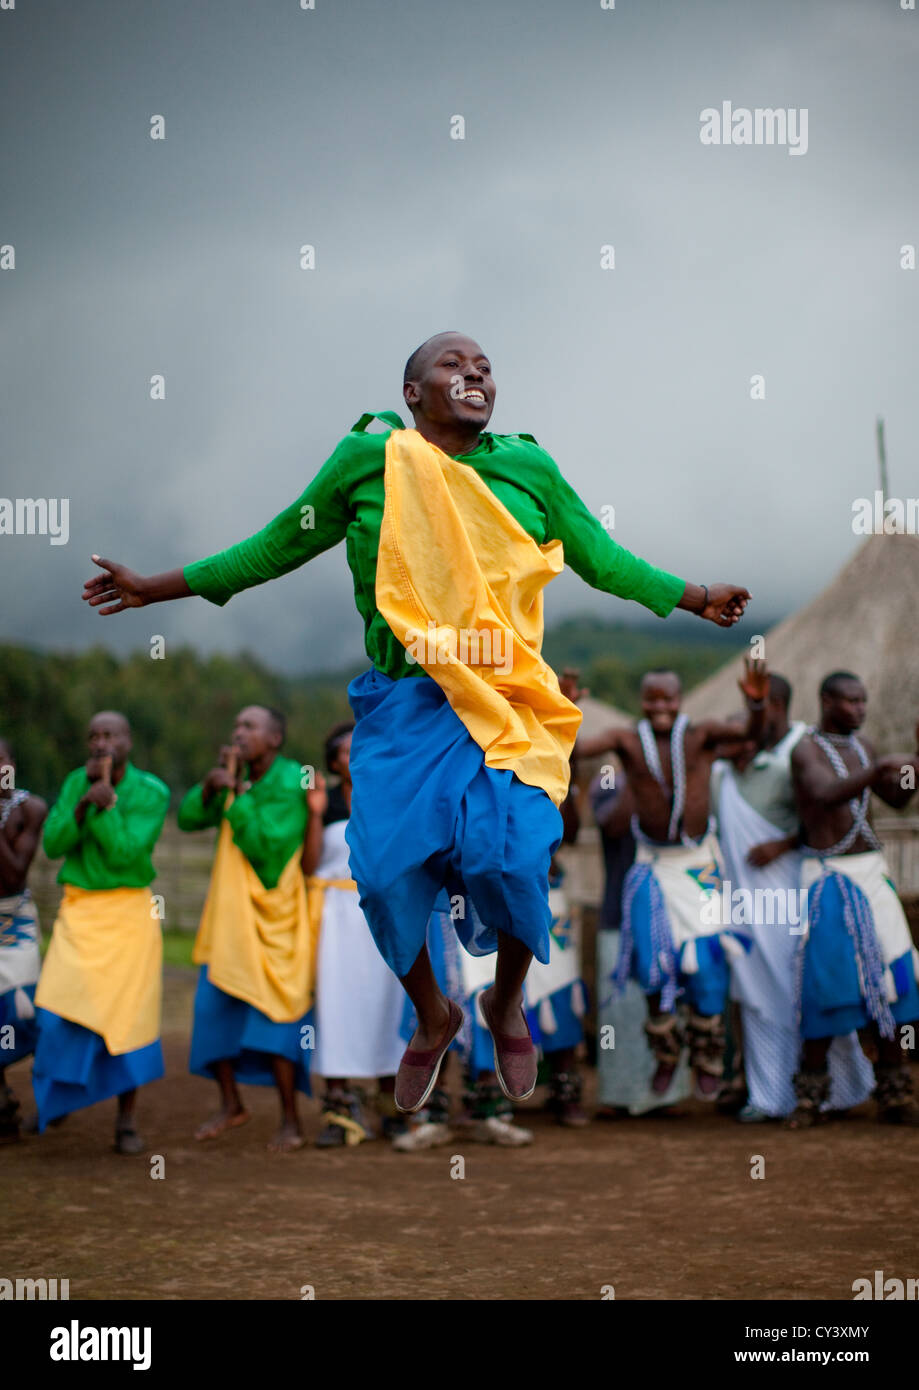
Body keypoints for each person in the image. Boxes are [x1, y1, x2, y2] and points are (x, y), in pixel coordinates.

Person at [81, 330, 753, 1114]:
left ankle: (505, 1003)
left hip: (504, 701)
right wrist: (151, 589)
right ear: (412, 393)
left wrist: (696, 595)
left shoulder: (529, 469)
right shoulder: (368, 462)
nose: (474, 373)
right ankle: (435, 1015)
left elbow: (601, 558)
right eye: (452, 365)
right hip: (405, 707)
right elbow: (270, 549)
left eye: (485, 367)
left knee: (511, 860)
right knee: (382, 875)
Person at [577, 663, 768, 1099]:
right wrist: (566, 710)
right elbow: (579, 749)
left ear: (680, 700)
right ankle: (666, 1050)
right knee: (649, 963)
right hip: (652, 865)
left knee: (708, 963)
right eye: (652, 699)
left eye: (668, 699)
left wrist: (755, 703)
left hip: (698, 863)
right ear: (642, 702)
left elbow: (749, 734)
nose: (660, 707)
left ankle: (707, 1054)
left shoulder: (700, 736)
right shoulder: (626, 740)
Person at [711, 675, 874, 1122]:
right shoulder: (722, 775)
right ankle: (766, 1095)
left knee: (800, 988)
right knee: (754, 994)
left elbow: (821, 821)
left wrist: (780, 846)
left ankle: (834, 1090)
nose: (741, 741)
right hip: (744, 905)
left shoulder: (799, 753)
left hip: (788, 894)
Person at [179, 705, 315, 1152]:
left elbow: (269, 850)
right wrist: (211, 784)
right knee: (213, 1012)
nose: (238, 732)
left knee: (275, 1020)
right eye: (235, 724)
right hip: (230, 920)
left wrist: (235, 791)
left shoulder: (294, 777)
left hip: (276, 916)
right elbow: (187, 819)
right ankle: (231, 1103)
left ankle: (290, 1119)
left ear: (275, 738)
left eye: (249, 726)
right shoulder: (233, 776)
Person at [788, 672, 919, 1127]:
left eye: (864, 701)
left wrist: (912, 767)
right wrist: (879, 768)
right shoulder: (805, 748)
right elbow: (824, 793)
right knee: (827, 986)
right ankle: (810, 1096)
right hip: (828, 879)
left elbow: (898, 802)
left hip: (871, 875)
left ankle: (895, 1092)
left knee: (896, 979)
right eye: (851, 701)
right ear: (826, 700)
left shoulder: (866, 748)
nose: (860, 710)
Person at [34, 713, 168, 1153]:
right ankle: (60, 1096)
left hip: (129, 913)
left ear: (129, 740)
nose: (100, 742)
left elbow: (127, 855)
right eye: (92, 735)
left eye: (110, 734)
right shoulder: (75, 781)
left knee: (127, 1019)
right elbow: (53, 845)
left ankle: (126, 1120)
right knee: (58, 1008)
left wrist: (107, 805)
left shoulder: (152, 792)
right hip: (79, 913)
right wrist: (81, 804)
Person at [302, 722, 406, 1147]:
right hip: (336, 917)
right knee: (336, 1008)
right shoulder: (321, 803)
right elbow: (308, 866)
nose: (354, 756)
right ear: (332, 762)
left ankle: (393, 1109)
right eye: (345, 752)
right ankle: (340, 1111)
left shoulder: (389, 792)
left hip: (382, 912)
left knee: (389, 1004)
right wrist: (312, 811)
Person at [590, 767, 692, 1116]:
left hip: (665, 918)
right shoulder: (609, 781)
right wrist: (640, 779)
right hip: (617, 915)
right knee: (618, 1012)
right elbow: (613, 825)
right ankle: (618, 1094)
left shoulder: (678, 782)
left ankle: (667, 1096)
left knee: (663, 1000)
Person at [0, 739, 48, 1142]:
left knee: (21, 1010)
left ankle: (52, 1093)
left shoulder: (29, 809)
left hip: (15, 924)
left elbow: (15, 873)